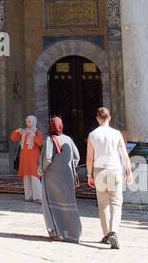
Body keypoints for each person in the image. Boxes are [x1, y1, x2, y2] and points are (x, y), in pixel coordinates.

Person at [85, 106, 132, 249]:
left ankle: (106, 234)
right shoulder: (116, 134)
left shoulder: (92, 135)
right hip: (114, 169)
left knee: (103, 204)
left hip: (99, 170)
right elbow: (124, 154)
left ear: (97, 118)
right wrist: (129, 171)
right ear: (109, 118)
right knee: (116, 203)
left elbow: (89, 158)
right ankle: (114, 232)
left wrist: (89, 175)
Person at [40, 116, 82, 242]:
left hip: (51, 178)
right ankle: (74, 233)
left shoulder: (49, 140)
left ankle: (55, 231)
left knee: (50, 203)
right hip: (67, 177)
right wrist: (68, 165)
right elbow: (77, 157)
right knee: (69, 204)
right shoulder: (68, 139)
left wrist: (40, 170)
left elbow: (47, 159)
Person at [10, 115, 44, 203]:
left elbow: (40, 143)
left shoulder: (37, 132)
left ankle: (38, 197)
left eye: (29, 122)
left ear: (34, 122)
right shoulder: (24, 132)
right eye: (26, 121)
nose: (27, 123)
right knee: (26, 176)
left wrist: (33, 135)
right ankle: (28, 196)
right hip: (24, 158)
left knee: (35, 177)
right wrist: (17, 131)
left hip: (33, 158)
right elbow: (13, 138)